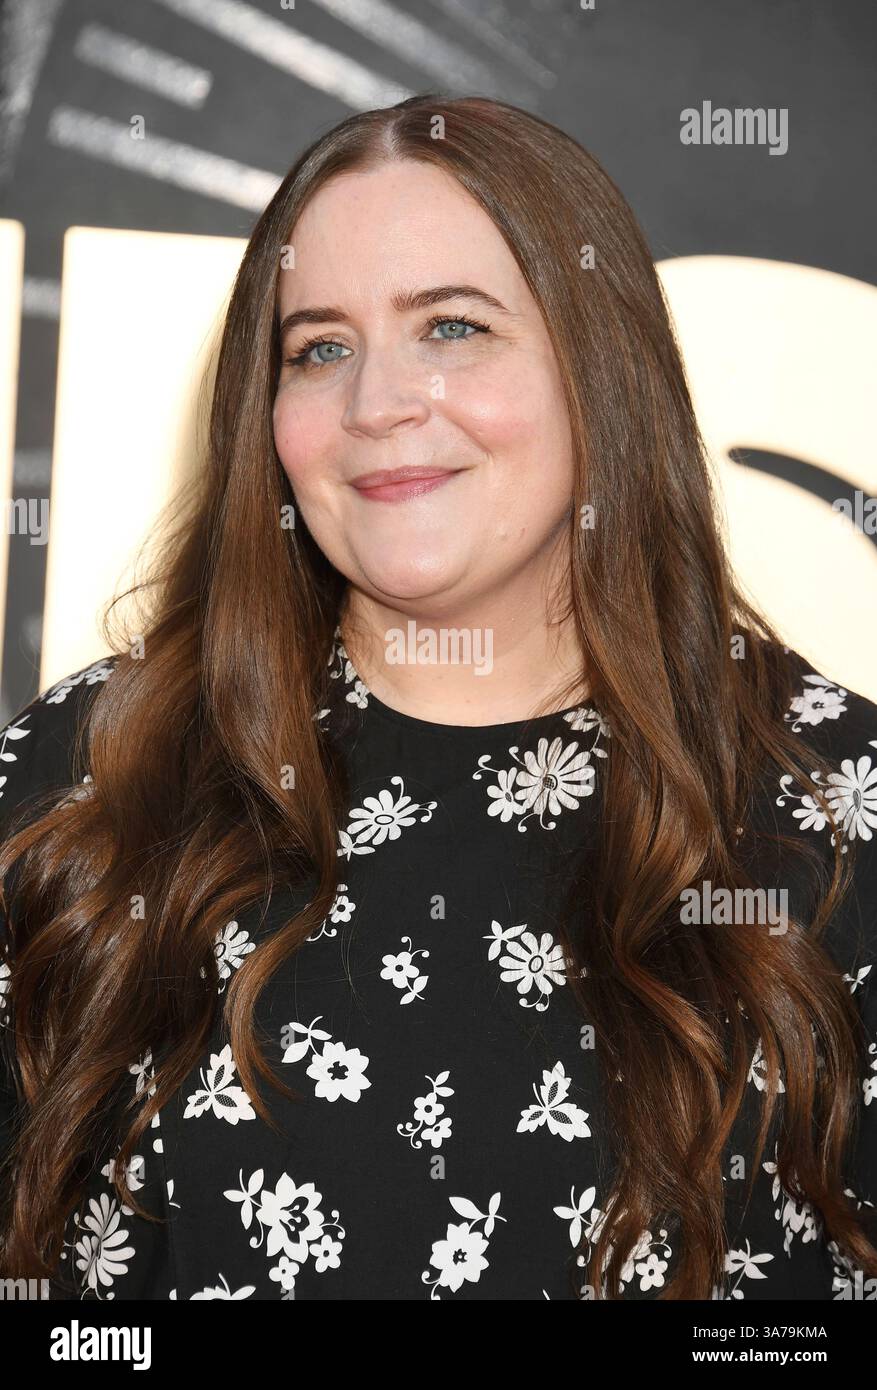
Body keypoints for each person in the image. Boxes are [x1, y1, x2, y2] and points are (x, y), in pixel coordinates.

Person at [1, 94, 875, 1302]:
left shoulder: (835, 807)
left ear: (599, 364)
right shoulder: (92, 771)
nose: (375, 405)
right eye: (319, 348)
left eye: (452, 328)